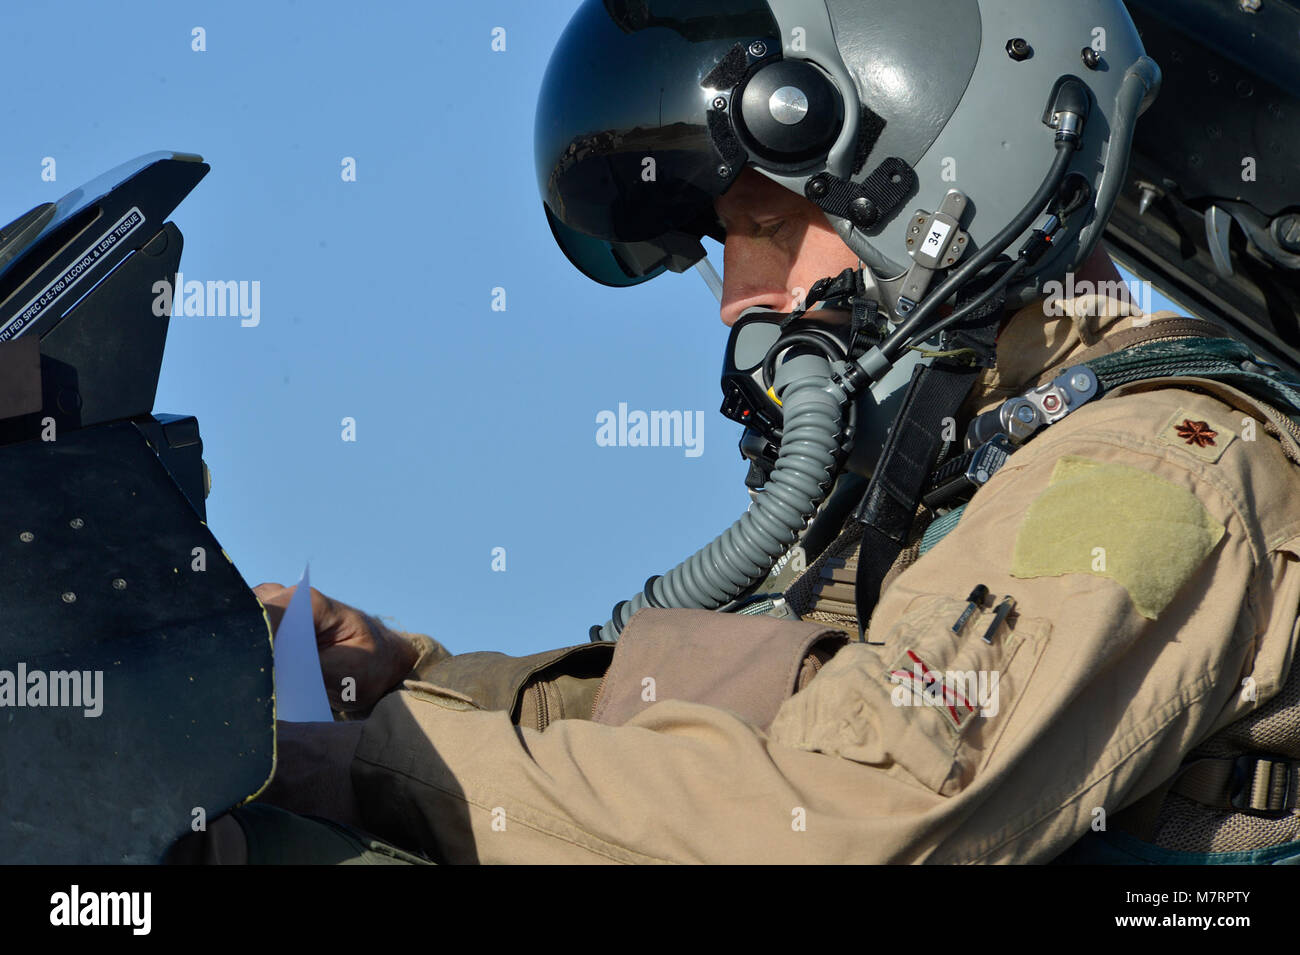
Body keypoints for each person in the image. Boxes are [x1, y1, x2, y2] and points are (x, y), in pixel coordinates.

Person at [174, 0, 1300, 864]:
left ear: (949, 188)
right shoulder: (953, 473)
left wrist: (361, 765)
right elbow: (713, 720)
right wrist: (400, 688)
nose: (732, 300)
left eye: (764, 227)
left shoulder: (1148, 468)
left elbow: (839, 814)